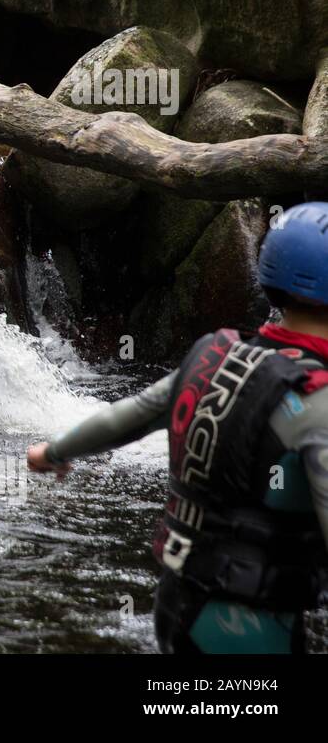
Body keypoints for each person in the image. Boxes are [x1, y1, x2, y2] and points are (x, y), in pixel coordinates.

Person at [27, 202, 328, 653]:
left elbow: (126, 416)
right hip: (250, 627)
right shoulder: (318, 399)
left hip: (176, 607)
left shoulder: (213, 356)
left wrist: (54, 452)